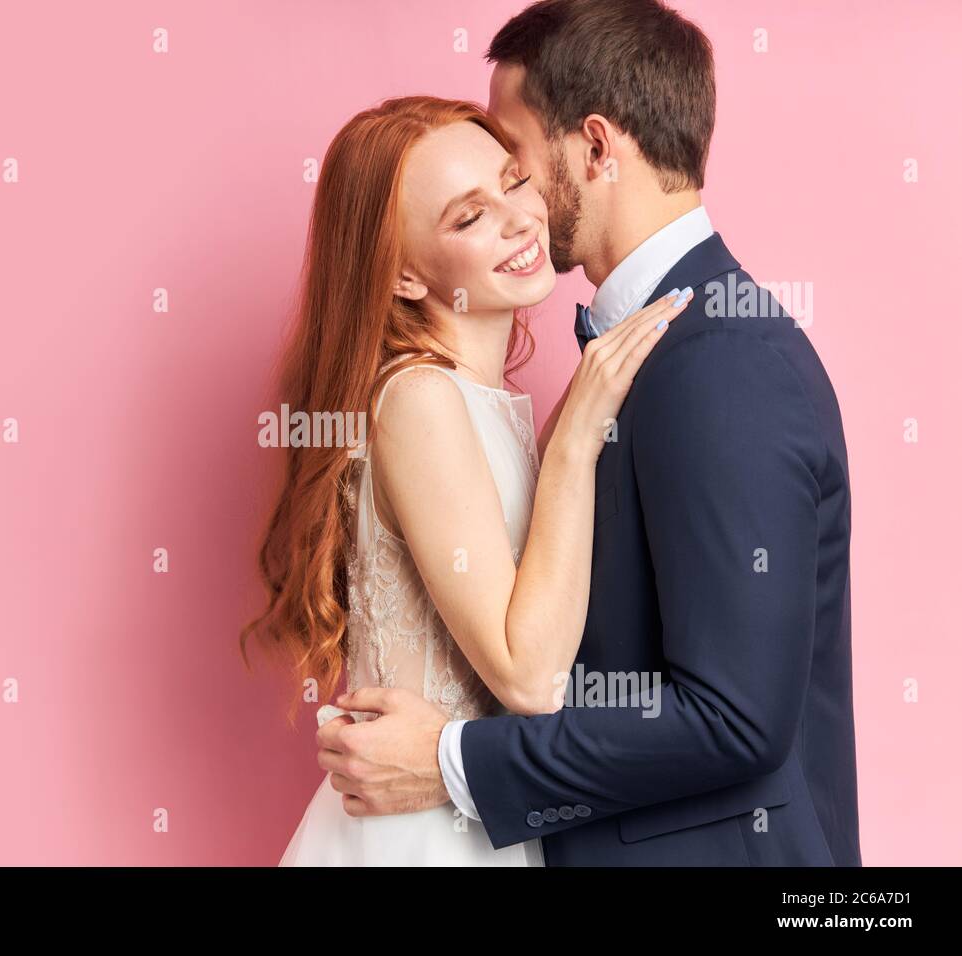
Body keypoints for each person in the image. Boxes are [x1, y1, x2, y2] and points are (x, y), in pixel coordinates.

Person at [316, 0, 860, 866]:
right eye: (474, 205)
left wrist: (450, 760)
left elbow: (735, 717)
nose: (519, 203)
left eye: (517, 163)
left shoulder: (720, 362)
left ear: (596, 148)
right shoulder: (635, 357)